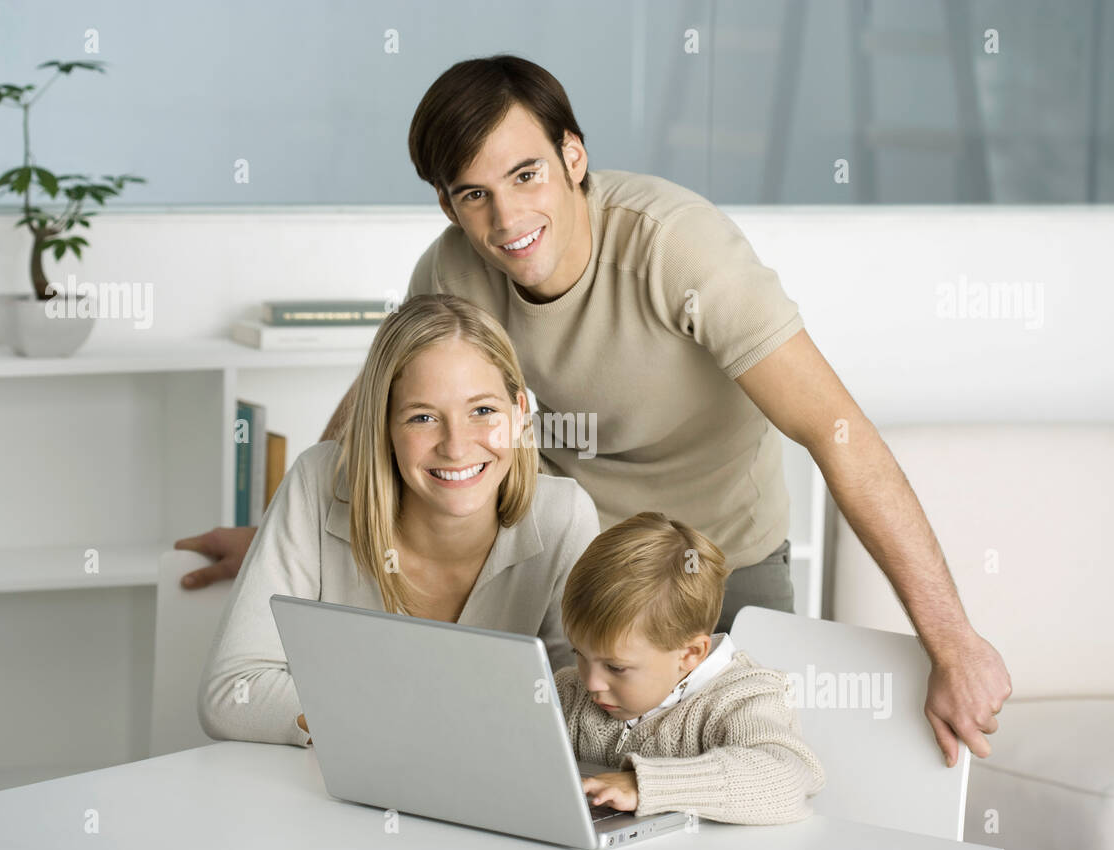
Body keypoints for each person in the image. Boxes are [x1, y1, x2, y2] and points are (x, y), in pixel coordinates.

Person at [180, 55, 1010, 770]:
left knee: (737, 762)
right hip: (571, 561)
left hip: (711, 561)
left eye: (525, 174)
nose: (506, 219)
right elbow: (381, 404)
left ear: (572, 156)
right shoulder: (452, 269)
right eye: (473, 194)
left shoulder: (674, 248)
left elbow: (837, 433)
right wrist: (282, 534)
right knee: (554, 770)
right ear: (448, 207)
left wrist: (953, 640)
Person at [196, 294, 599, 747]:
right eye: (422, 417)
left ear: (519, 414)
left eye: (483, 411)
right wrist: (412, 726)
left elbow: (581, 706)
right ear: (383, 427)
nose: (456, 446)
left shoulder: (563, 516)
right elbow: (232, 693)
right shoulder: (317, 483)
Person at [557, 511, 825, 825]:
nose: (591, 682)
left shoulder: (746, 698)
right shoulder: (570, 691)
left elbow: (786, 781)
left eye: (616, 667)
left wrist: (644, 786)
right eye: (579, 653)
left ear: (690, 654)